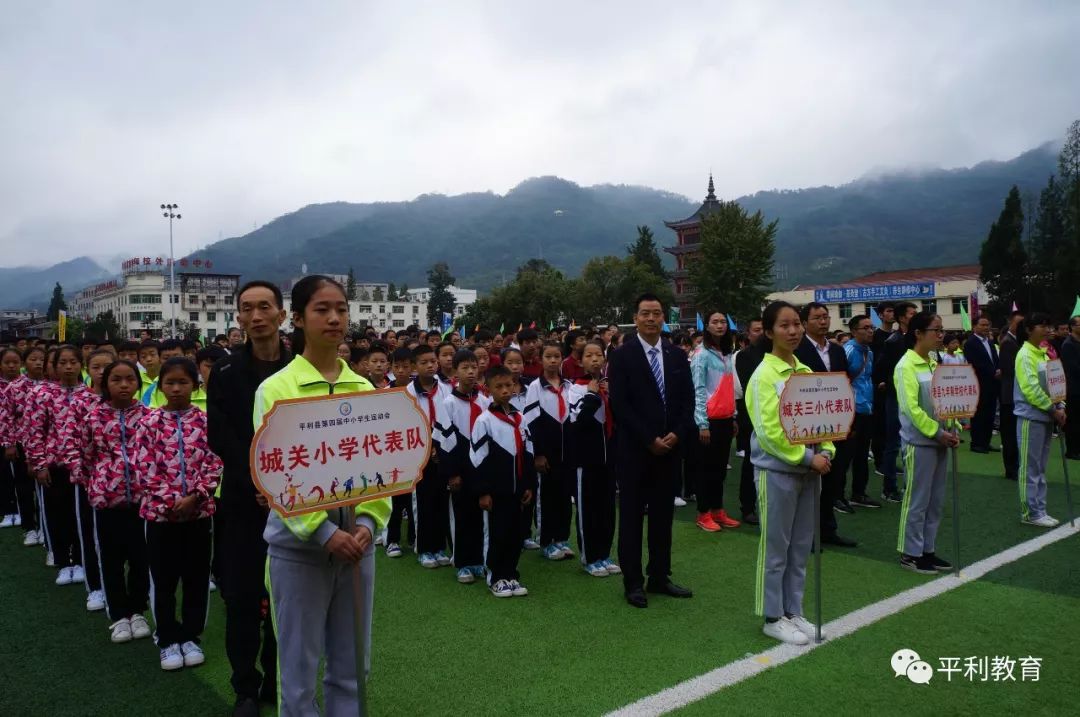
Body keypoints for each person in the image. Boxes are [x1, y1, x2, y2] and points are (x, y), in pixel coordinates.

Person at [254, 275, 390, 714]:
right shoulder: (275, 390)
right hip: (300, 551)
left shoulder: (364, 389)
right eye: (321, 309)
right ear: (296, 318)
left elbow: (383, 469)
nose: (334, 318)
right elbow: (276, 474)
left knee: (352, 668)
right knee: (296, 673)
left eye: (341, 309)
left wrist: (369, 523)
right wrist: (322, 531)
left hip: (358, 551)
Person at [207, 280, 290, 716]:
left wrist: (278, 485)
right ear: (238, 317)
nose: (256, 316)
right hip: (242, 501)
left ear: (281, 314)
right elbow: (220, 436)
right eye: (246, 309)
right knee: (241, 597)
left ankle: (280, 679)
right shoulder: (223, 373)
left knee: (288, 597)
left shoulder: (300, 369)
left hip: (293, 504)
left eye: (264, 307)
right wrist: (259, 480)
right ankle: (245, 687)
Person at [747, 301, 833, 645]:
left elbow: (825, 418)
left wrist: (827, 450)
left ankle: (793, 610)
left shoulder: (807, 374)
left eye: (796, 324)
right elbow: (768, 432)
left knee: (799, 546)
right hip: (778, 472)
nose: (793, 331)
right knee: (776, 547)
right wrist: (805, 458)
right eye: (784, 326)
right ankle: (772, 616)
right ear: (769, 332)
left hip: (810, 472)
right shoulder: (763, 376)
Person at [608, 293, 695, 609]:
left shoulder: (675, 354)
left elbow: (687, 400)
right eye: (645, 313)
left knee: (662, 517)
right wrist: (649, 439)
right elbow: (620, 404)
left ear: (663, 318)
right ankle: (633, 583)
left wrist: (676, 434)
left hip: (670, 451)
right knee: (631, 518)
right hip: (635, 451)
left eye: (657, 313)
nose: (651, 319)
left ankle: (659, 575)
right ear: (636, 316)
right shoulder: (622, 356)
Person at [137, 357, 221, 671]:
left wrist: (196, 495)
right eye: (169, 383)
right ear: (160, 387)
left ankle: (190, 635)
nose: (175, 388)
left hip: (199, 515)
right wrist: (174, 499)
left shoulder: (205, 421)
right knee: (163, 578)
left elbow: (215, 463)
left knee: (197, 576)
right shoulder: (149, 423)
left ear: (195, 385)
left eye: (182, 382)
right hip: (160, 517)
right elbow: (144, 467)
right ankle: (168, 638)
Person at [80, 359, 152, 644]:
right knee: (110, 558)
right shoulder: (93, 417)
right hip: (106, 502)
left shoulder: (149, 416)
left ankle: (138, 610)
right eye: (116, 380)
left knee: (140, 557)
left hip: (142, 500)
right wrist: (99, 484)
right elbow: (86, 456)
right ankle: (119, 615)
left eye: (130, 379)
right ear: (105, 384)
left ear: (138, 383)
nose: (123, 385)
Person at [25, 345, 102, 605]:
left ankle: (81, 560)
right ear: (54, 366)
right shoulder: (42, 394)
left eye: (73, 362)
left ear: (81, 365)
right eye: (63, 363)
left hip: (83, 469)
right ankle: (62, 561)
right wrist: (38, 463)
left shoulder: (91, 397)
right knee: (56, 513)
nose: (68, 367)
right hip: (54, 465)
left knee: (81, 517)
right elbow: (35, 431)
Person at [895, 312, 958, 574]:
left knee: (935, 500)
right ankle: (911, 553)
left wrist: (952, 425)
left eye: (942, 330)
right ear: (918, 333)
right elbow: (911, 408)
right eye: (936, 330)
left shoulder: (934, 362)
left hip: (940, 441)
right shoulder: (905, 366)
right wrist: (936, 432)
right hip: (919, 443)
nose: (941, 336)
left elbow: (944, 400)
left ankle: (927, 550)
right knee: (917, 500)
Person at [468, 365, 536, 597]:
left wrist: (528, 484)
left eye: (509, 385)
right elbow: (477, 459)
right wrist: (483, 491)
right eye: (499, 386)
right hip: (496, 492)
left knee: (516, 534)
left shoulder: (520, 417)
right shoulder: (484, 421)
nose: (506, 390)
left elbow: (528, 452)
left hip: (518, 490)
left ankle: (511, 573)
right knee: (497, 533)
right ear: (489, 390)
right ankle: (495, 576)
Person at [794, 302, 856, 547]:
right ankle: (807, 536)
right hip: (808, 420)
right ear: (805, 322)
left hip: (835, 420)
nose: (823, 321)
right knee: (810, 480)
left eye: (825, 317)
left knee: (834, 475)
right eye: (817, 317)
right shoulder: (798, 350)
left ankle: (828, 529)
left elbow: (844, 385)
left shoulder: (838, 351)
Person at [438, 349, 491, 584]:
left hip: (481, 468)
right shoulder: (448, 403)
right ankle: (462, 563)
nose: (471, 372)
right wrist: (452, 473)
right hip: (460, 468)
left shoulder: (485, 400)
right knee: (462, 516)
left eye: (474, 367)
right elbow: (444, 442)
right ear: (455, 372)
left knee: (480, 515)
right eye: (465, 368)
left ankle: (478, 560)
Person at [568, 340, 619, 577]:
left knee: (607, 508)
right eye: (589, 355)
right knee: (588, 509)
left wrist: (611, 395)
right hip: (586, 460)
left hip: (609, 458)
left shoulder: (610, 387)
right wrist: (591, 394)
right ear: (580, 361)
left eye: (599, 355)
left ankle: (604, 554)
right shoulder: (575, 388)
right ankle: (590, 557)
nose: (595, 359)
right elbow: (578, 421)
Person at [1013, 313, 1067, 527]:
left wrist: (1061, 404)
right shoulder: (1025, 355)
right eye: (1041, 326)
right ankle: (1031, 512)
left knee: (1040, 465)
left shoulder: (1043, 354)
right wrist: (1053, 409)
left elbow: (1055, 383)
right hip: (1030, 416)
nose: (1046, 330)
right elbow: (1030, 389)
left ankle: (1040, 508)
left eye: (1048, 325)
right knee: (1030, 466)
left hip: (1045, 416)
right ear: (1028, 330)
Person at [690, 310, 740, 533]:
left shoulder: (727, 353)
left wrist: (734, 415)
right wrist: (702, 423)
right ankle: (703, 513)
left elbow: (729, 388)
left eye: (722, 322)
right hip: (708, 421)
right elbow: (698, 390)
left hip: (726, 419)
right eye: (715, 322)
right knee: (705, 469)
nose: (720, 325)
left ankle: (718, 510)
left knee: (720, 469)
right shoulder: (701, 354)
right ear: (707, 326)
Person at [523, 341, 574, 560]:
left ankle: (561, 538)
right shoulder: (535, 387)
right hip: (547, 452)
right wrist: (539, 453)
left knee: (564, 496)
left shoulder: (569, 386)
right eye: (548, 357)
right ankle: (546, 540)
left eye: (556, 356)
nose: (553, 361)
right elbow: (531, 422)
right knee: (546, 497)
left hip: (566, 451)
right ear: (541, 360)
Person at [408, 343, 452, 568]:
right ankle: (424, 548)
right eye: (423, 362)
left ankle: (439, 547)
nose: (429, 366)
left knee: (441, 500)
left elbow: (448, 419)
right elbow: (406, 423)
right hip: (419, 451)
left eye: (432, 362)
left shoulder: (445, 388)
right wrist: (427, 446)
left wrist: (440, 446)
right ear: (415, 366)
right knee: (424, 501)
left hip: (442, 450)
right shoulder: (408, 392)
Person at [2, 346, 45, 546]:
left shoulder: (51, 385)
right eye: (33, 359)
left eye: (41, 359)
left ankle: (46, 528)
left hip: (48, 444)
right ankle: (29, 527)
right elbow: (6, 417)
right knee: (25, 487)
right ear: (25, 363)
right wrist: (9, 444)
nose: (38, 363)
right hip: (22, 443)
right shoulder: (15, 387)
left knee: (46, 490)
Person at [838, 315, 880, 508]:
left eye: (871, 327)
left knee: (863, 454)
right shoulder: (848, 350)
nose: (870, 331)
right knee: (846, 455)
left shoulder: (869, 352)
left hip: (867, 409)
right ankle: (837, 496)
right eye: (865, 328)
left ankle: (858, 493)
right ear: (854, 331)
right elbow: (840, 380)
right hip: (851, 411)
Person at [878, 301, 918, 502]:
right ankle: (889, 487)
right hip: (896, 397)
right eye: (912, 314)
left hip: (916, 397)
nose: (915, 316)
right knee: (893, 443)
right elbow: (886, 368)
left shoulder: (918, 339)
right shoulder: (894, 341)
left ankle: (910, 486)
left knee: (912, 442)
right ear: (901, 318)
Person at [384, 347, 417, 558]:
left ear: (412, 367)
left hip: (414, 451)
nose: (402, 370)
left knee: (413, 500)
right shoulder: (385, 392)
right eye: (397, 366)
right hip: (392, 452)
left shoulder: (418, 391)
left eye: (406, 366)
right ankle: (392, 540)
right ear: (392, 368)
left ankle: (414, 538)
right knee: (395, 500)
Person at [734, 319, 765, 524]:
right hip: (753, 417)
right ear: (748, 333)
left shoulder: (778, 354)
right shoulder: (744, 356)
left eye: (764, 329)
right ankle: (747, 507)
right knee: (751, 462)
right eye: (757, 330)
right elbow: (749, 387)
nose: (761, 333)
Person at [963, 314, 1000, 454]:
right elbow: (976, 363)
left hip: (992, 383)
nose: (986, 327)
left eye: (987, 325)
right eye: (982, 325)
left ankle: (986, 442)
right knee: (979, 415)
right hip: (979, 383)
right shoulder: (970, 343)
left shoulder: (989, 342)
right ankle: (977, 443)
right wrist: (993, 372)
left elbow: (994, 359)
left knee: (990, 414)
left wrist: (998, 369)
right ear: (974, 327)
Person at [999, 311, 1024, 481]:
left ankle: (1016, 467)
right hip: (1010, 395)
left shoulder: (1018, 342)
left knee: (1016, 434)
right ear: (1011, 324)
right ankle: (1011, 469)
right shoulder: (1008, 343)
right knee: (1009, 435)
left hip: (1015, 394)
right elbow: (1010, 370)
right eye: (1019, 324)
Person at [870, 302, 896, 469]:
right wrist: (877, 381)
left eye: (893, 311)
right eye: (888, 311)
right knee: (879, 426)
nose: (892, 314)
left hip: (894, 386)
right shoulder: (875, 337)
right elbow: (872, 363)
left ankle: (890, 462)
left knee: (892, 427)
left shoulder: (897, 337)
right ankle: (880, 462)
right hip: (878, 387)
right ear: (880, 315)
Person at [1061, 315, 1080, 460]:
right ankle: (1071, 450)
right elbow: (1072, 367)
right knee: (1073, 420)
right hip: (1073, 388)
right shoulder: (1068, 344)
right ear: (1072, 327)